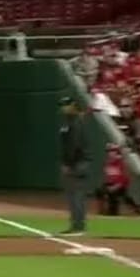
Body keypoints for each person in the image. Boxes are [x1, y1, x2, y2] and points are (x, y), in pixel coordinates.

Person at [58, 96, 91, 236]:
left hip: (78, 163)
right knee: (73, 195)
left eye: (66, 105)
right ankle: (76, 226)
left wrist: (68, 163)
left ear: (73, 105)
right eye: (62, 105)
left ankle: (78, 227)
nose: (63, 108)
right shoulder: (71, 121)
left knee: (76, 195)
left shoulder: (76, 122)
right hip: (77, 162)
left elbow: (74, 145)